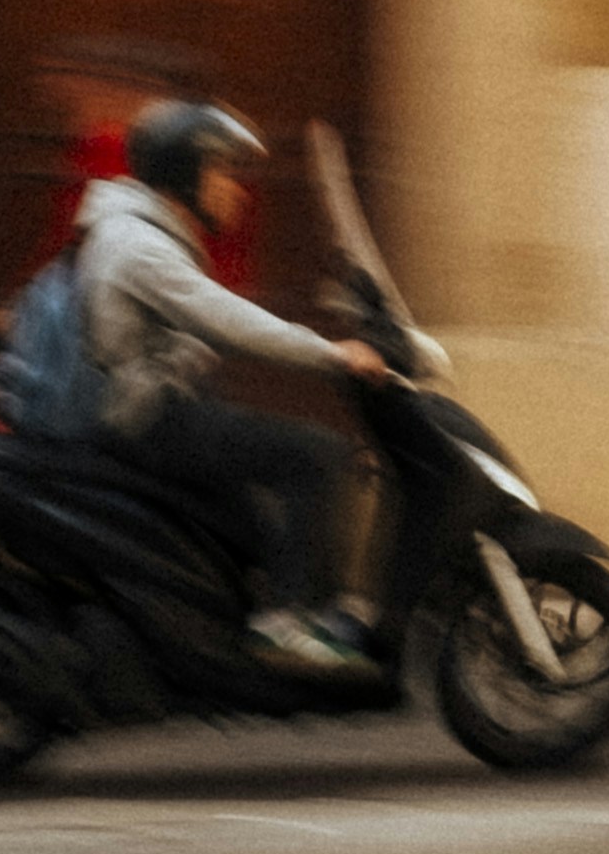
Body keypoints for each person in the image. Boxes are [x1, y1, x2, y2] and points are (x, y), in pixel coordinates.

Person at [73, 98, 386, 672]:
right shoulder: (138, 246)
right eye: (220, 172)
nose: (234, 189)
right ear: (182, 175)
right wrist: (331, 354)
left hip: (158, 408)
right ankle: (284, 624)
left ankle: (269, 618)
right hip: (148, 421)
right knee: (316, 456)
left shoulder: (139, 231)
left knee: (261, 507)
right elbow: (227, 320)